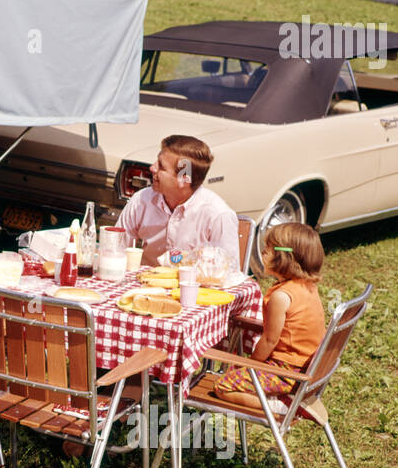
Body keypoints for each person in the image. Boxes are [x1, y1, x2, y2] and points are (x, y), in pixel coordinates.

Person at [213, 222, 326, 406]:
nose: (263, 252)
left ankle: (281, 406)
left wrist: (250, 364)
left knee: (222, 385)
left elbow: (269, 340)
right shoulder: (307, 286)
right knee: (233, 370)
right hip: (300, 369)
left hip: (285, 373)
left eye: (269, 249)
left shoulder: (282, 296)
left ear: (285, 257)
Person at [117, 134, 239, 266]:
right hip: (145, 283)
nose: (152, 168)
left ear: (183, 179)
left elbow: (227, 272)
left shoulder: (217, 215)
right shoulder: (141, 200)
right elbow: (116, 249)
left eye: (162, 167)